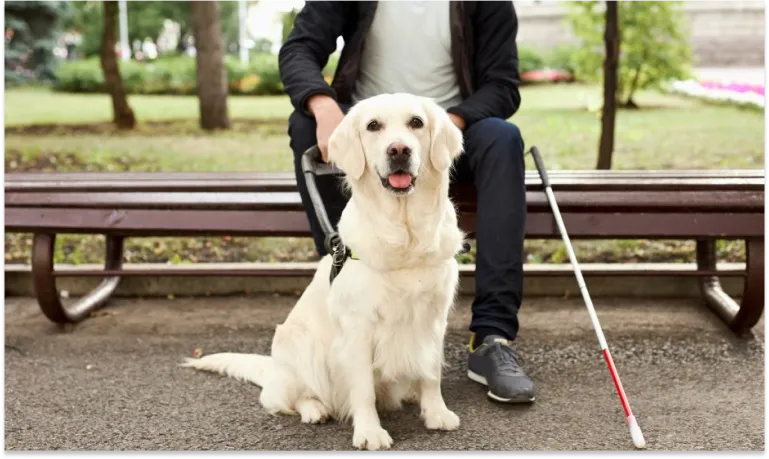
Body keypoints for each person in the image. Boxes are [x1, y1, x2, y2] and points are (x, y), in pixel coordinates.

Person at [278, 0, 534, 404]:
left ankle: (492, 339)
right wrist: (322, 103)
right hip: (371, 139)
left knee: (504, 138)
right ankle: (347, 294)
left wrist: (446, 123)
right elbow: (299, 49)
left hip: (446, 132)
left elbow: (502, 85)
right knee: (303, 123)